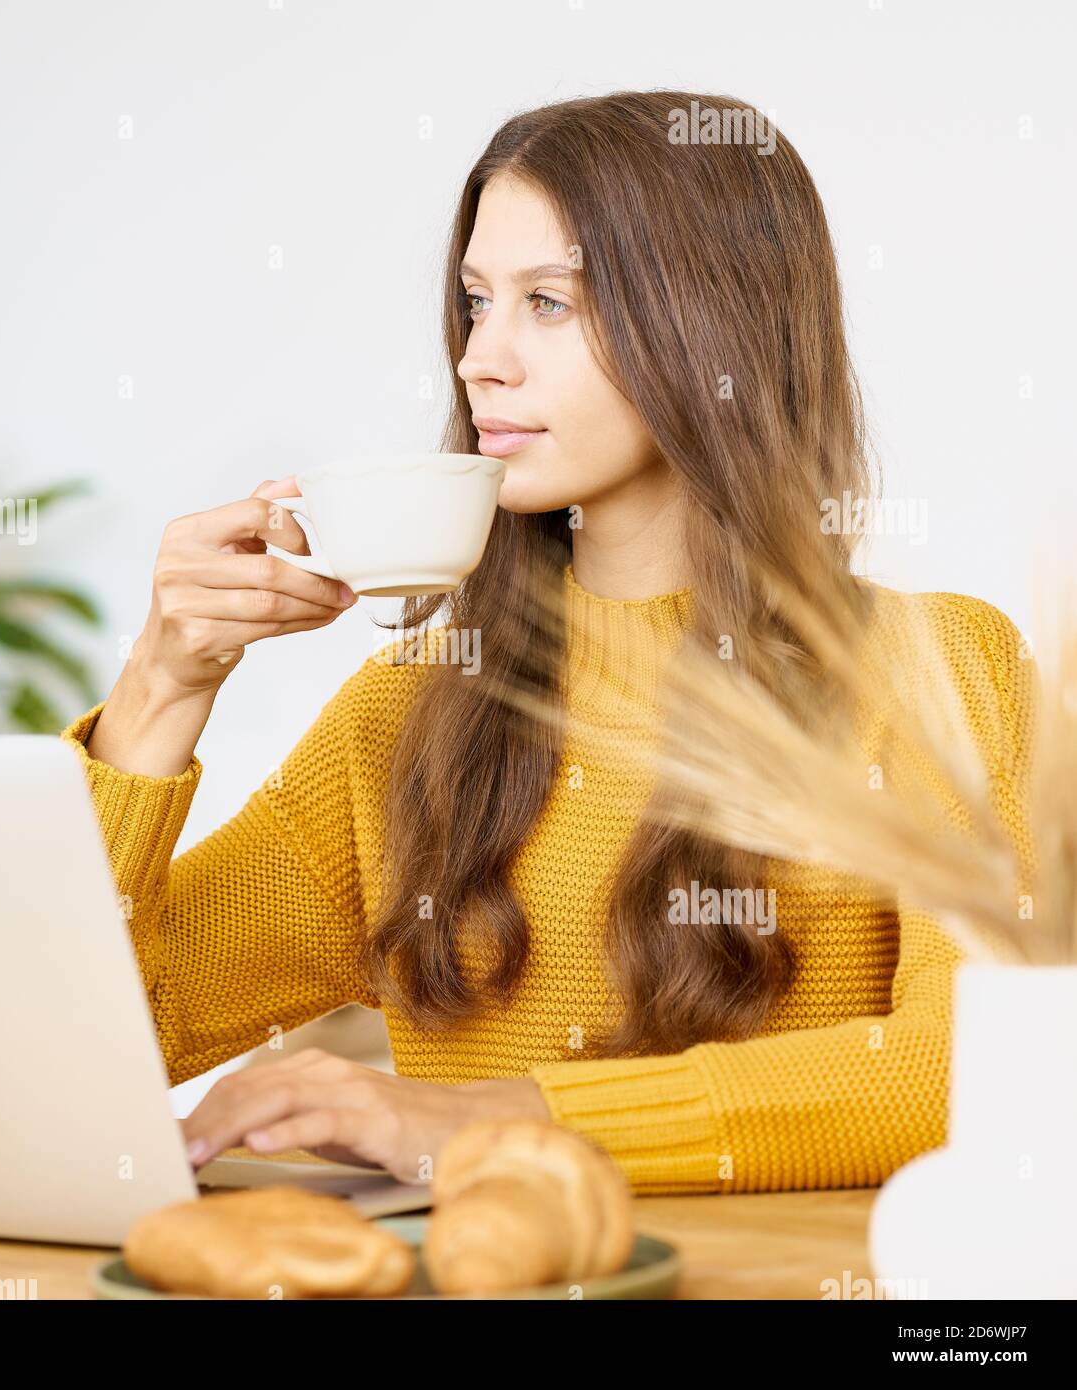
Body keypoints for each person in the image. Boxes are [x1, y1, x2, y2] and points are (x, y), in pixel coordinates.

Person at [61, 91, 1032, 1192]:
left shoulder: (933, 668)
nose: (480, 358)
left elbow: (968, 1068)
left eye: (548, 303)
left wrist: (486, 1121)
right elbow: (77, 1046)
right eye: (476, 302)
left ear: (711, 321)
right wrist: (160, 687)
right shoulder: (407, 714)